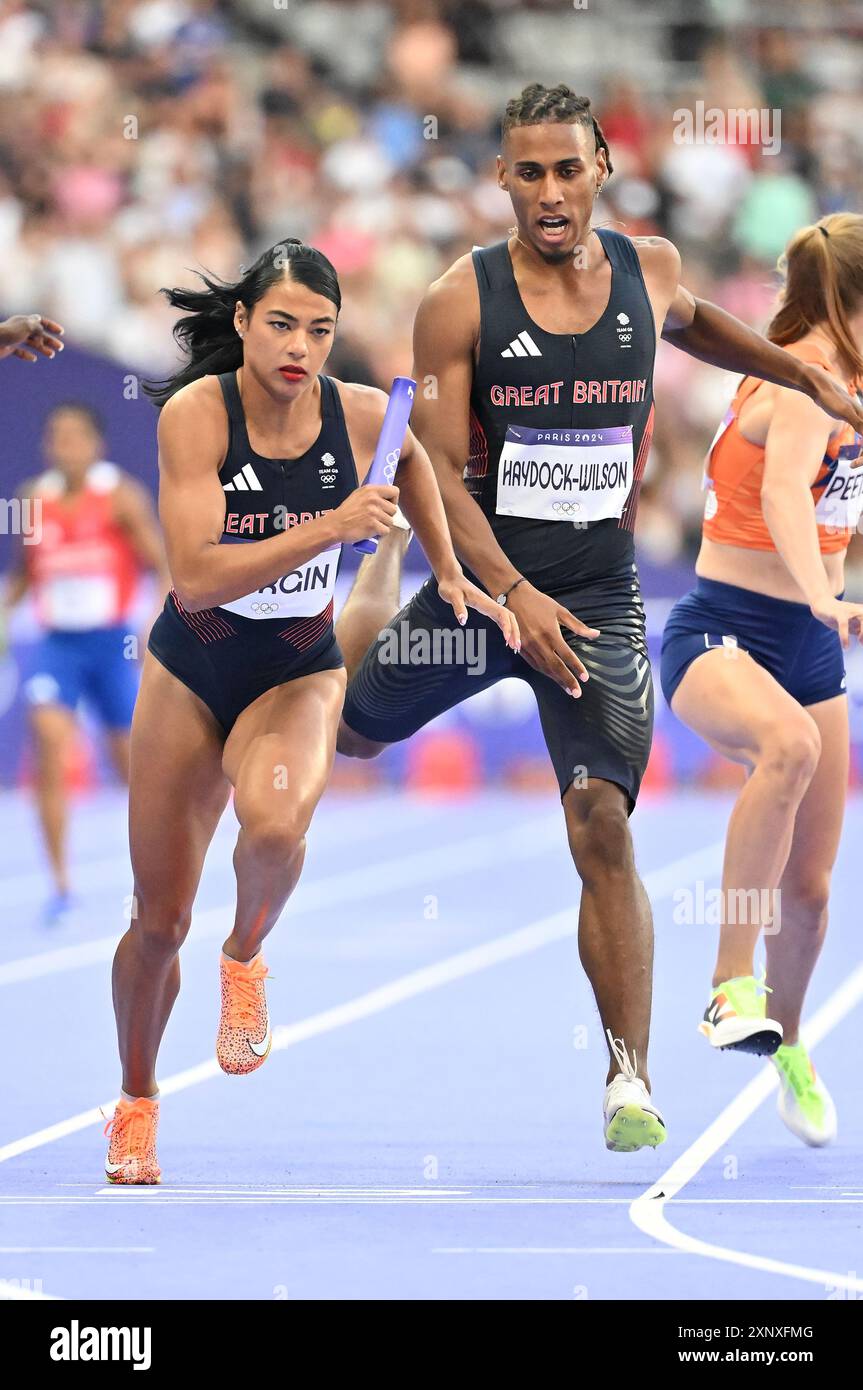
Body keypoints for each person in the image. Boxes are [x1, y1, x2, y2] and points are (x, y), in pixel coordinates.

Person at [334, 83, 863, 1153]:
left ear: (599, 172)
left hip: (597, 604)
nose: (548, 191)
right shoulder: (458, 300)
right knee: (348, 730)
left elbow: (701, 325)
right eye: (526, 172)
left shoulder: (646, 267)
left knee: (600, 823)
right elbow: (436, 464)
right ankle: (372, 581)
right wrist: (510, 597)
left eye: (567, 169)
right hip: (479, 592)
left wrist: (810, 381)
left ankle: (627, 1076)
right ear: (499, 179)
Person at [104, 238, 517, 1184]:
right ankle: (135, 1101)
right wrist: (329, 527)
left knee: (277, 826)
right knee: (157, 920)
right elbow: (199, 580)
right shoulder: (194, 416)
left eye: (320, 330)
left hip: (296, 665)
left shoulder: (361, 413)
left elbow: (412, 462)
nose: (300, 345)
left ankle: (244, 955)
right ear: (244, 323)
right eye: (282, 323)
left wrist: (449, 571)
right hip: (191, 666)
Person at [661, 213, 863, 1147]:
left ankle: (785, 1043)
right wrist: (825, 592)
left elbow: (834, 496)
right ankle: (725, 986)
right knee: (786, 745)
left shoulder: (849, 381)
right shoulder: (802, 378)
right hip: (722, 629)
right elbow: (785, 492)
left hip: (808, 645)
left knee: (813, 891)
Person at [1, 402, 168, 923]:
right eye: (56, 435)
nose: (65, 445)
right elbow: (26, 570)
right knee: (49, 741)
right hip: (57, 645)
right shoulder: (33, 497)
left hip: (111, 644)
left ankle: (157, 878)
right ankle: (60, 884)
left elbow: (162, 568)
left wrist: (150, 625)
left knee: (130, 765)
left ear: (96, 443)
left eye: (76, 435)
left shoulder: (120, 495)